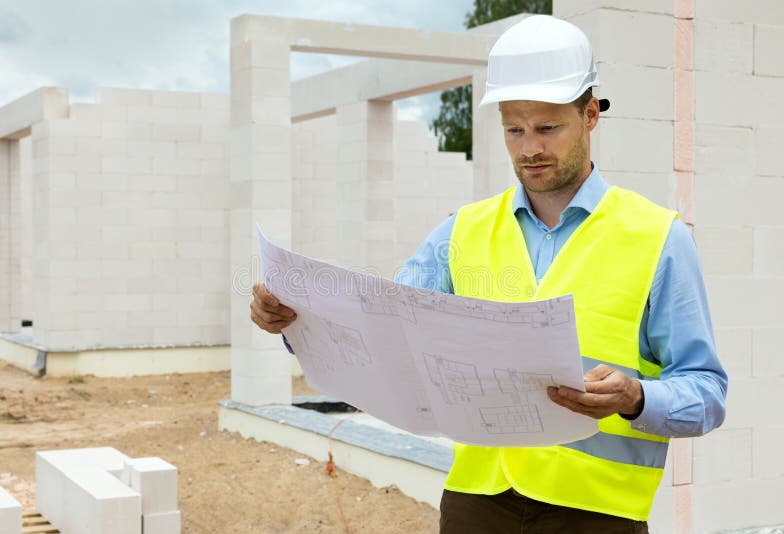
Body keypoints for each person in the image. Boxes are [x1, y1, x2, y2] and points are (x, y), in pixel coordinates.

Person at [250, 14, 727, 534]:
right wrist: (297, 324)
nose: (529, 149)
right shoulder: (461, 232)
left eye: (548, 128)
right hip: (477, 504)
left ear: (590, 114)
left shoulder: (659, 238)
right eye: (513, 129)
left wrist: (637, 398)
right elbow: (383, 332)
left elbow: (706, 392)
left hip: (598, 513)